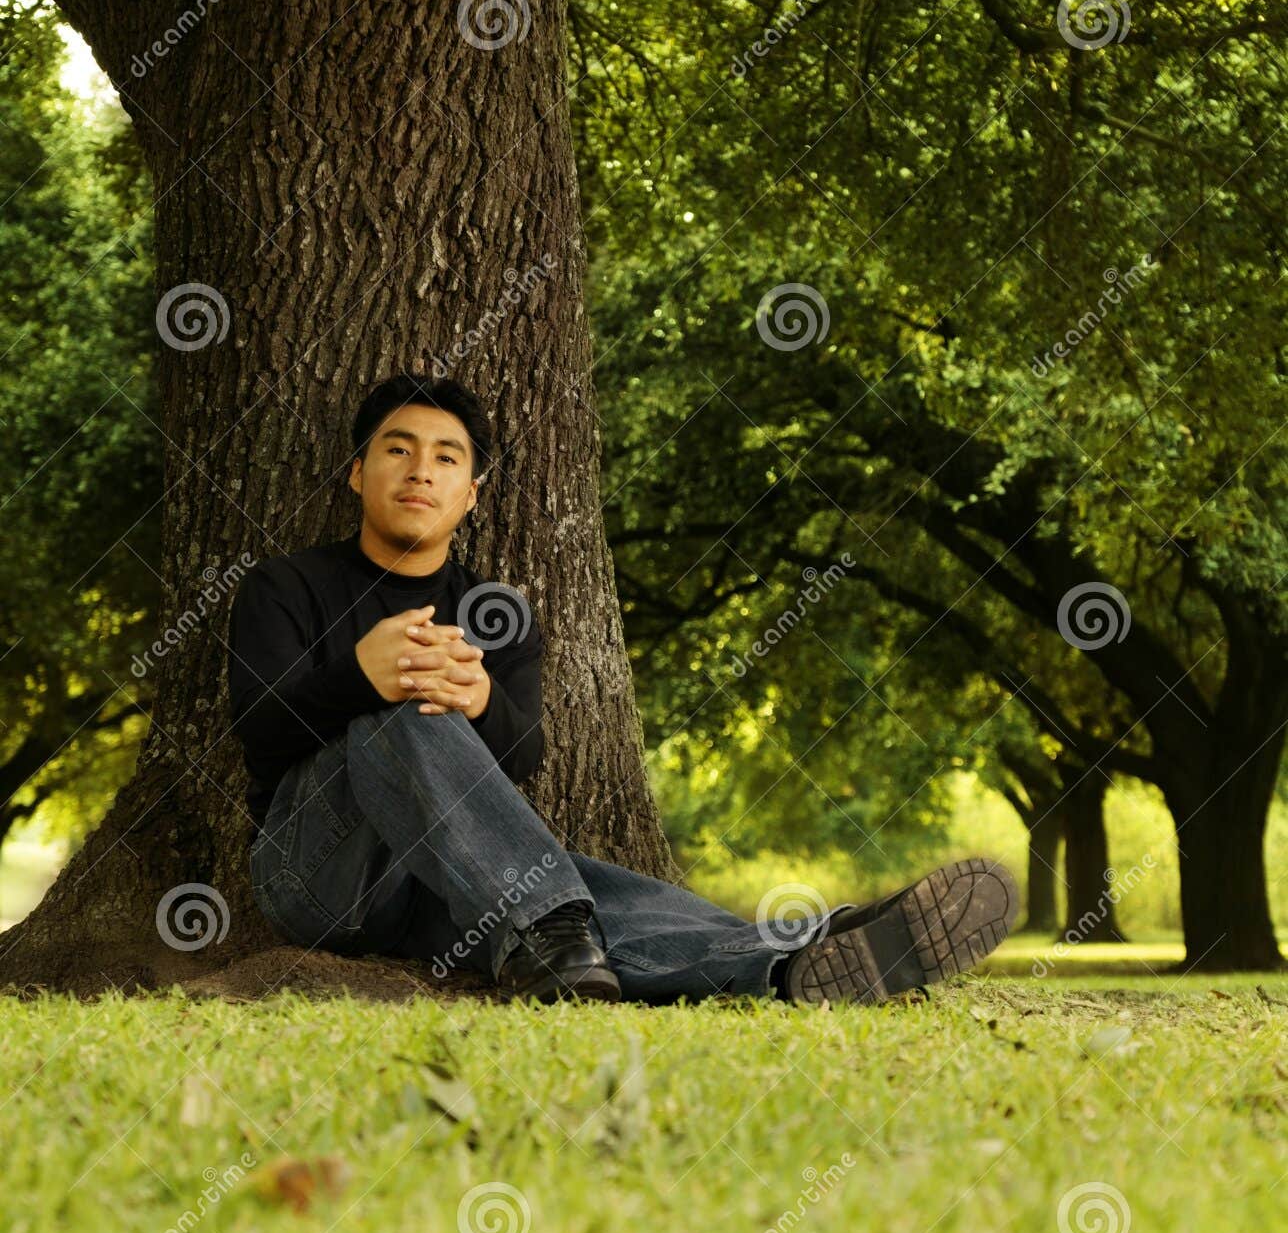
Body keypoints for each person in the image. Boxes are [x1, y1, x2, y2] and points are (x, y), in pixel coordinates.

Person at [227, 371, 1018, 1007]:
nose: (420, 470)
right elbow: (259, 734)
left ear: (470, 493)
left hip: (437, 883)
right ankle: (549, 925)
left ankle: (797, 959)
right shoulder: (285, 586)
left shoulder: (493, 614)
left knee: (588, 894)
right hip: (315, 875)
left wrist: (477, 705)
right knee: (401, 723)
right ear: (358, 471)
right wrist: (360, 678)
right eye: (397, 451)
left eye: (446, 457)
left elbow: (519, 758)